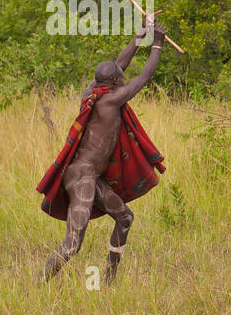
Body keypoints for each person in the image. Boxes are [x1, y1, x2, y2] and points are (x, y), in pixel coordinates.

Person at [38, 15, 167, 284]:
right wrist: (156, 44)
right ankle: (38, 284)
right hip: (82, 178)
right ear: (116, 84)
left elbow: (119, 65)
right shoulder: (110, 100)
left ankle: (109, 280)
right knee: (73, 243)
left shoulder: (93, 91)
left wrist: (139, 35)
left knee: (124, 218)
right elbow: (144, 76)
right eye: (121, 79)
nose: (123, 78)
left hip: (89, 177)